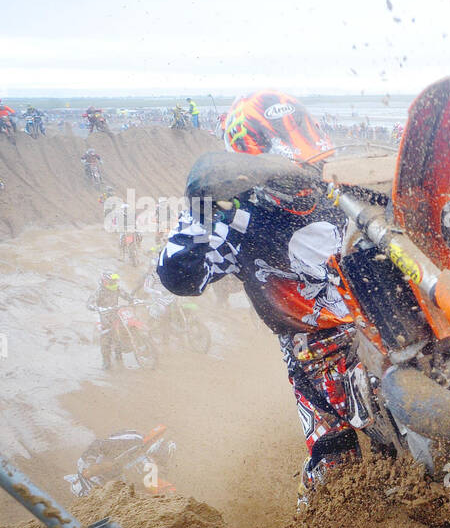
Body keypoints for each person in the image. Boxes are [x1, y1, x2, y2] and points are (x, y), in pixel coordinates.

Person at [157, 90, 367, 504]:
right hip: (317, 347)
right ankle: (319, 523)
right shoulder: (234, 215)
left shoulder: (342, 183)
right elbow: (177, 274)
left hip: (384, 313)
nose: (303, 177)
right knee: (337, 474)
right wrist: (201, 210)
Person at [88, 270, 134, 369]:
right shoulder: (99, 291)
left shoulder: (117, 289)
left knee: (121, 332)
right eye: (111, 282)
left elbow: (126, 295)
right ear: (105, 281)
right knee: (106, 339)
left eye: (115, 281)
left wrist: (132, 300)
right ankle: (106, 361)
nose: (114, 283)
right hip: (105, 316)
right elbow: (90, 302)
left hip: (116, 313)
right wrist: (94, 307)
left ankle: (119, 355)